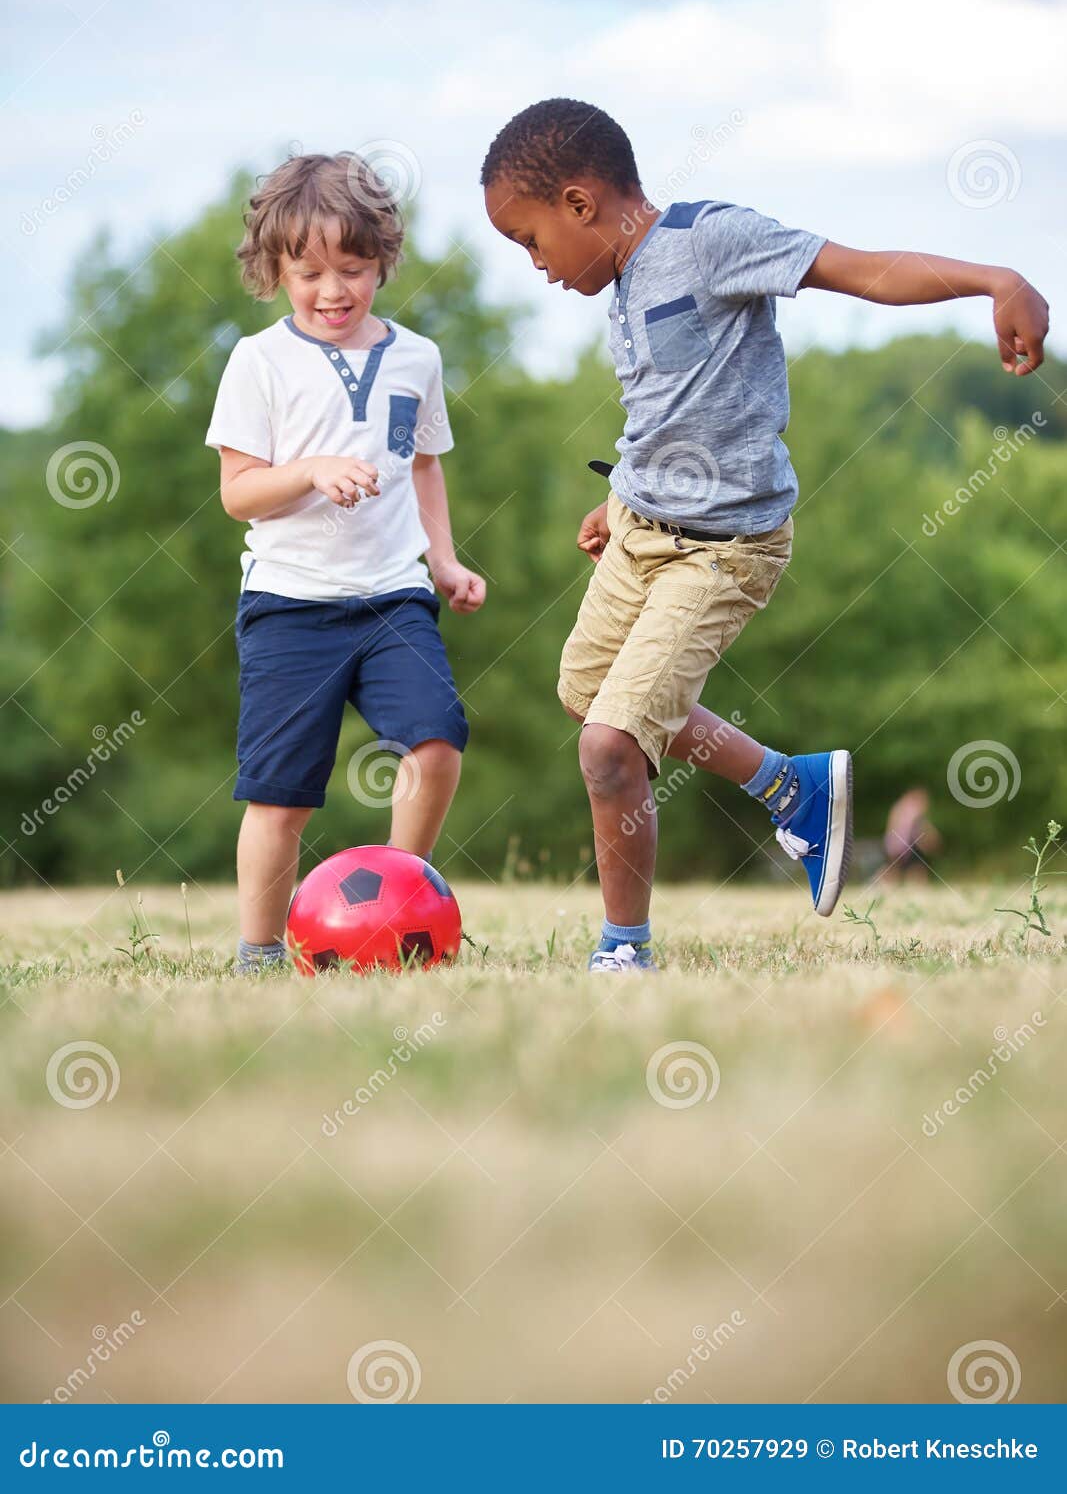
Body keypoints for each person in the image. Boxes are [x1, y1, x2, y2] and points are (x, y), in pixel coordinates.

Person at [481, 98, 1048, 973]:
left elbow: (861, 272)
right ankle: (794, 786)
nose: (535, 264)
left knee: (610, 745)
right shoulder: (622, 286)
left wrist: (992, 279)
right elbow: (667, 407)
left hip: (722, 548)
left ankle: (623, 950)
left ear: (579, 203)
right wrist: (624, 492)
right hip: (640, 530)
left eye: (529, 238)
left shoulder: (710, 239)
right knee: (586, 696)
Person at [206, 153, 485, 972]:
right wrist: (311, 471)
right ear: (274, 270)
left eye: (353, 269)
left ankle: (404, 905)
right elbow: (237, 493)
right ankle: (258, 956)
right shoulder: (258, 362)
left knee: (437, 743)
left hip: (394, 598)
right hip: (289, 608)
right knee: (279, 799)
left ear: (382, 262)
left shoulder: (417, 358)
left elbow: (424, 466)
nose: (333, 290)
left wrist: (444, 560)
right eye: (310, 272)